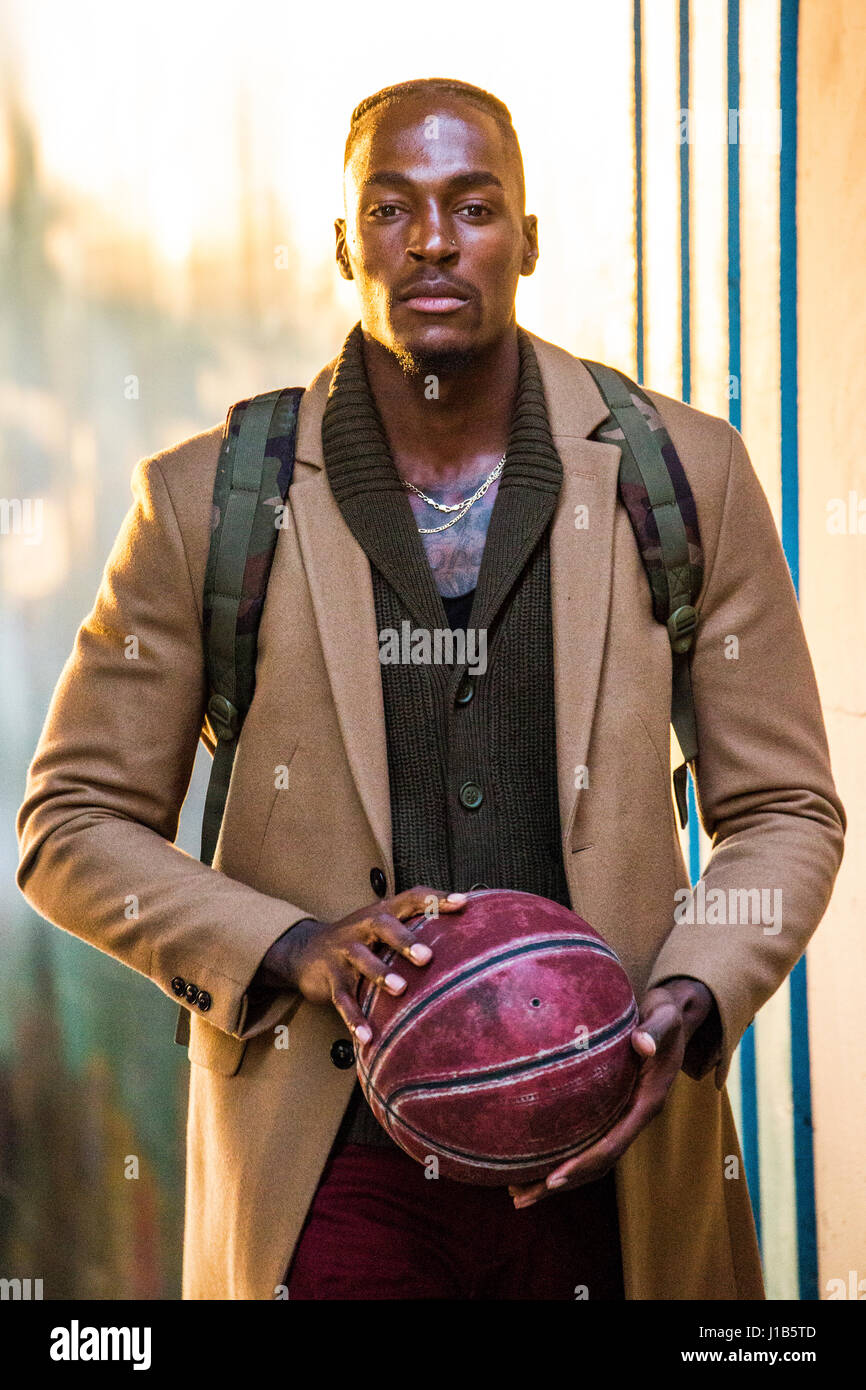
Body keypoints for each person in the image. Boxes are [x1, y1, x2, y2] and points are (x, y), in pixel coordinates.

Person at [16, 77, 845, 1301]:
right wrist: (289, 946)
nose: (435, 240)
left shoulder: (683, 477)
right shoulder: (208, 503)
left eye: (473, 204)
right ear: (347, 243)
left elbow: (784, 809)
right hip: (328, 1174)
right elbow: (69, 827)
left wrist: (686, 994)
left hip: (609, 1156)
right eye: (392, 209)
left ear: (526, 234)